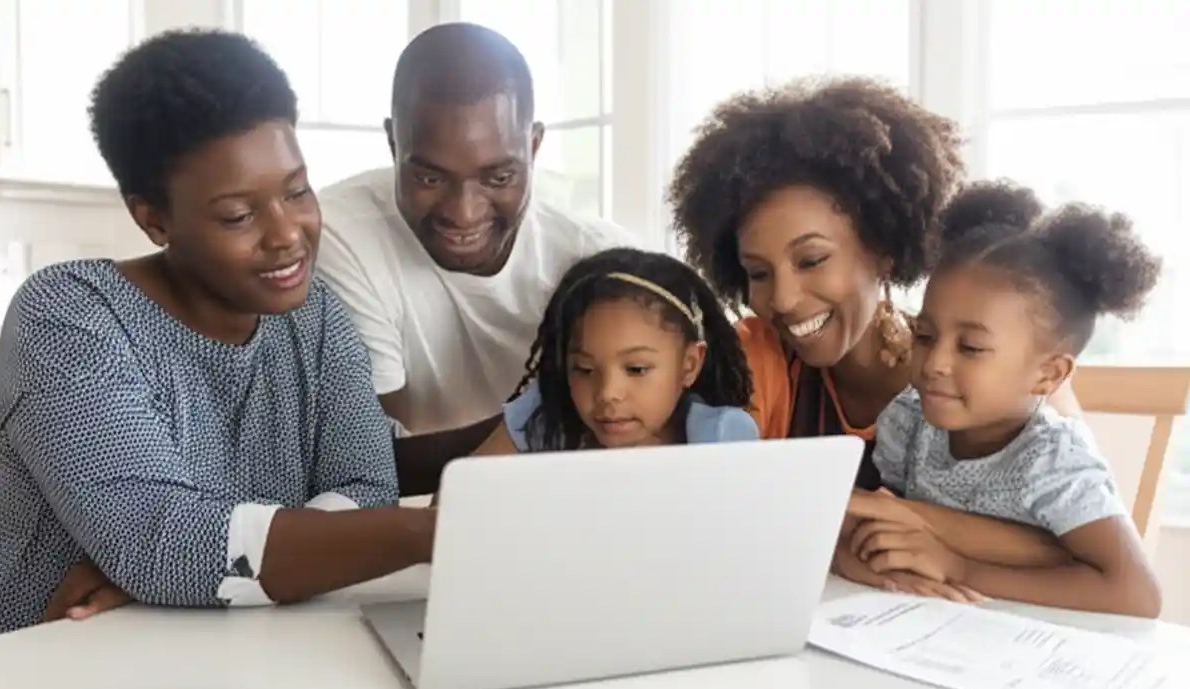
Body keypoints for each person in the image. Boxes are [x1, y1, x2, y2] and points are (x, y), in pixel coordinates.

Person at [0, 30, 434, 649]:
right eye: (238, 216)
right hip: (14, 663)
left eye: (297, 191)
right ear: (154, 219)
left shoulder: (316, 315)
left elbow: (366, 483)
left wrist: (199, 572)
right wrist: (428, 534)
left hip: (203, 650)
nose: (287, 235)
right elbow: (161, 539)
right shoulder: (67, 317)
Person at [668, 77, 1081, 601]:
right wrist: (841, 547)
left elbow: (1078, 543)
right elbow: (723, 512)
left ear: (884, 249)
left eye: (812, 260)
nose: (785, 299)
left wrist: (886, 516)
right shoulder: (754, 359)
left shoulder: (992, 368)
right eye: (758, 272)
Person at [315, 24, 634, 491]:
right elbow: (370, 464)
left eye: (498, 177)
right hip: (405, 525)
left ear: (534, 146)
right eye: (430, 179)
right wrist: (545, 425)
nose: (463, 213)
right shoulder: (342, 238)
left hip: (567, 504)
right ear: (392, 144)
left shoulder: (591, 257)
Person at [849, 181, 1163, 616]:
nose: (934, 362)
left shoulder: (1053, 459)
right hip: (927, 625)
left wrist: (960, 567)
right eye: (925, 335)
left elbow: (1137, 594)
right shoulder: (909, 418)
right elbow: (875, 523)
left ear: (1047, 375)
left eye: (971, 347)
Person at [471, 248, 757, 455]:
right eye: (584, 370)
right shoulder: (546, 419)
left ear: (689, 365)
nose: (607, 393)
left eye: (636, 369)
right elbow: (456, 502)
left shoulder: (719, 437)